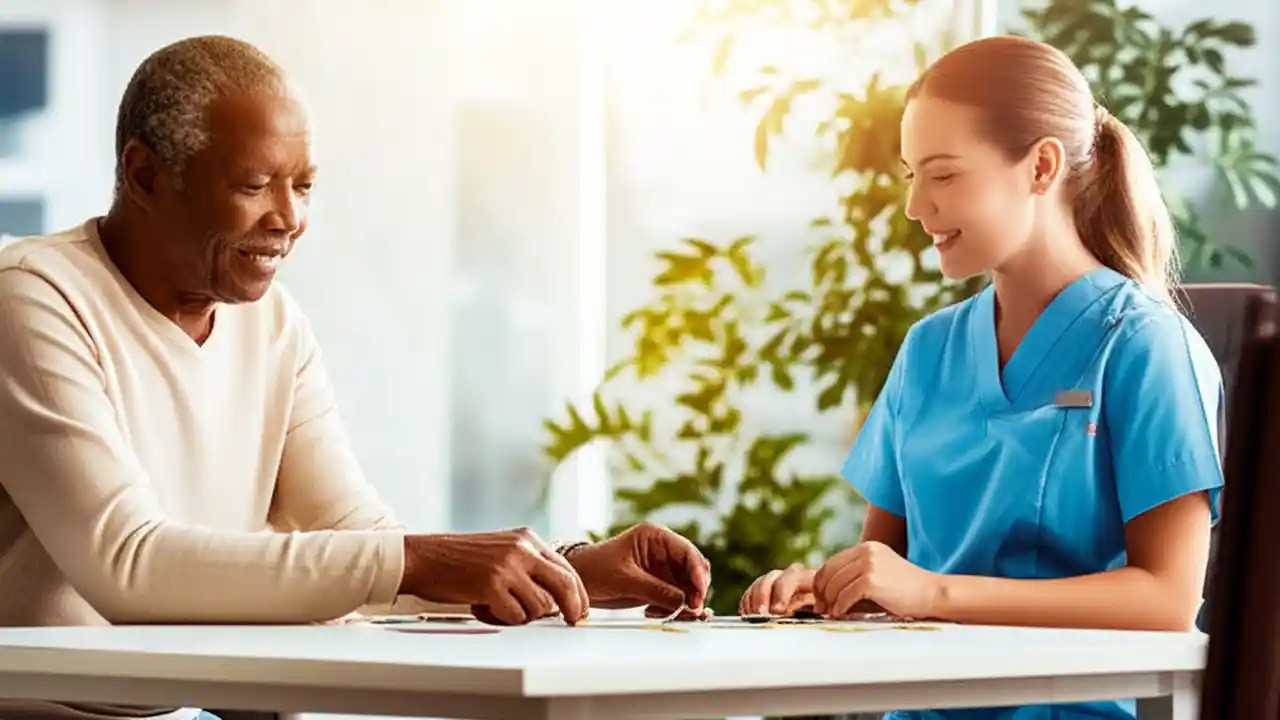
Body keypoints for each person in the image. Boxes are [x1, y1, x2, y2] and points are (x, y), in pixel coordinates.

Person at [0, 35, 710, 720]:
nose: (290, 219)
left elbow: (354, 543)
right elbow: (127, 564)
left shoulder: (272, 323)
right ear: (146, 174)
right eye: (254, 186)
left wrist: (564, 573)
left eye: (303, 186)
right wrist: (416, 561)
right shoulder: (34, 298)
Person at [740, 35, 1223, 720]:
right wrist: (826, 589)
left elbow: (1167, 601)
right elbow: (886, 568)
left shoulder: (1144, 346)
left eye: (941, 175)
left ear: (1040, 167)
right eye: (910, 176)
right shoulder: (928, 349)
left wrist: (933, 594)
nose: (914, 206)